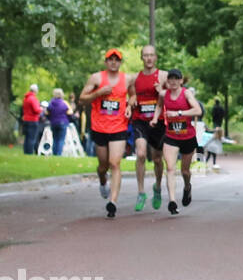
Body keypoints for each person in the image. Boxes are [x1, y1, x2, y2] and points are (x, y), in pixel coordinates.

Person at [77, 48, 133, 217]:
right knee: (103, 166)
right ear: (106, 62)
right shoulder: (96, 78)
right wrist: (99, 93)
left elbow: (133, 95)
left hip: (119, 127)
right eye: (110, 59)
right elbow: (82, 98)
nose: (114, 62)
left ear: (120, 62)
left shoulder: (127, 79)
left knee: (115, 163)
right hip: (99, 127)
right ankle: (103, 181)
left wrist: (130, 105)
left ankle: (112, 202)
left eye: (117, 59)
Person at [153, 69, 201, 214]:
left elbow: (197, 110)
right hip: (171, 136)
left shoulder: (186, 93)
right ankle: (172, 201)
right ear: (167, 81)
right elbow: (159, 105)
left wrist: (179, 113)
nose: (173, 81)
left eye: (176, 79)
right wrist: (155, 118)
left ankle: (187, 187)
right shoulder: (163, 94)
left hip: (187, 137)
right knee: (170, 168)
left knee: (185, 171)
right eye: (170, 79)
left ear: (181, 81)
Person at [126, 44, 166, 211]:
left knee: (157, 159)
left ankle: (157, 187)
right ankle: (141, 192)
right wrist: (131, 101)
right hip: (140, 120)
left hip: (158, 121)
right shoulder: (135, 78)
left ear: (156, 57)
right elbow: (130, 94)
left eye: (152, 55)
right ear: (141, 58)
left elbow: (174, 92)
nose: (149, 58)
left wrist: (161, 91)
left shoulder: (163, 75)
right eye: (145, 55)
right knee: (141, 154)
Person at [47, 88, 71, 157]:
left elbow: (47, 112)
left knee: (55, 139)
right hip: (63, 122)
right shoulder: (64, 103)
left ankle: (54, 154)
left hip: (53, 123)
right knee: (61, 139)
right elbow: (69, 112)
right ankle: (58, 154)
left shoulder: (51, 103)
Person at [22, 84, 41, 154]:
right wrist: (41, 109)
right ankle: (29, 152)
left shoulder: (26, 98)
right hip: (33, 120)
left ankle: (26, 152)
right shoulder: (32, 98)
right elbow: (36, 110)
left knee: (27, 138)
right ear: (35, 90)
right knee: (32, 138)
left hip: (26, 119)